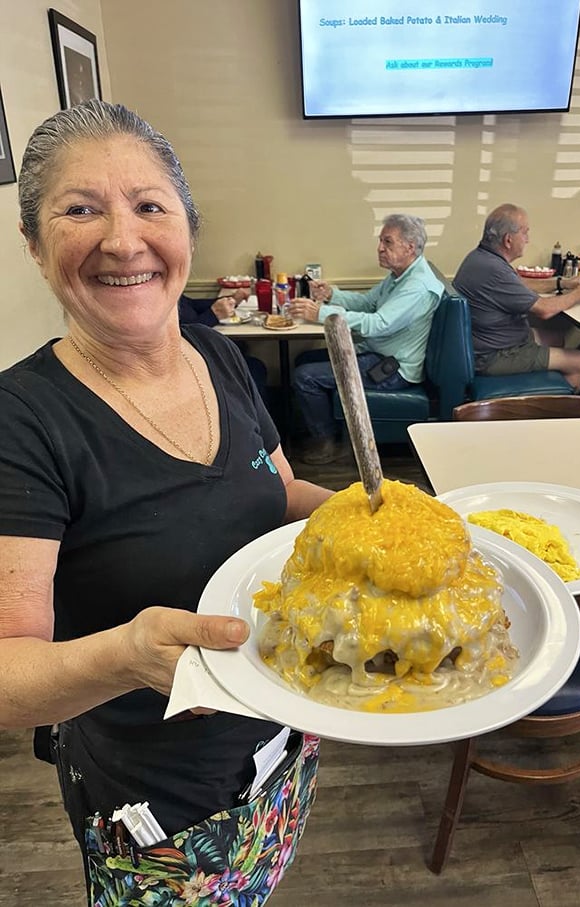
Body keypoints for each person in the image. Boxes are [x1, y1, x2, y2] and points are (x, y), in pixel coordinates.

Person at [0, 99, 332, 906]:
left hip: (283, 745)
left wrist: (380, 514)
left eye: (151, 205)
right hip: (159, 804)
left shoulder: (215, 353)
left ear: (186, 227)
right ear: (37, 247)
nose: (123, 238)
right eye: (81, 209)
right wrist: (126, 655)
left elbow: (279, 489)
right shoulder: (23, 419)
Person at [289, 214, 443, 465]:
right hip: (376, 354)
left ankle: (328, 443)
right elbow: (367, 303)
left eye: (388, 242)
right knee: (304, 358)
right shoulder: (400, 275)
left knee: (305, 376)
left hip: (392, 369)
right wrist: (332, 295)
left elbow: (378, 324)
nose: (380, 248)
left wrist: (321, 313)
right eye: (381, 241)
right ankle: (322, 430)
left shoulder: (417, 286)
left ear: (410, 247)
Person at [454, 203, 580, 391]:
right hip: (494, 355)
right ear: (508, 240)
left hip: (490, 342)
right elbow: (544, 310)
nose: (528, 239)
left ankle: (544, 394)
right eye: (524, 233)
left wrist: (563, 283)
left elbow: (521, 284)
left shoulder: (482, 258)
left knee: (556, 337)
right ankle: (558, 411)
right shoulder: (495, 270)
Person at [179, 291, 269, 399]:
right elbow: (183, 338)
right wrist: (213, 314)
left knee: (243, 349)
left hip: (203, 352)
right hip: (194, 363)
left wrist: (231, 300)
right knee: (255, 367)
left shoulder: (174, 295)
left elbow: (192, 304)